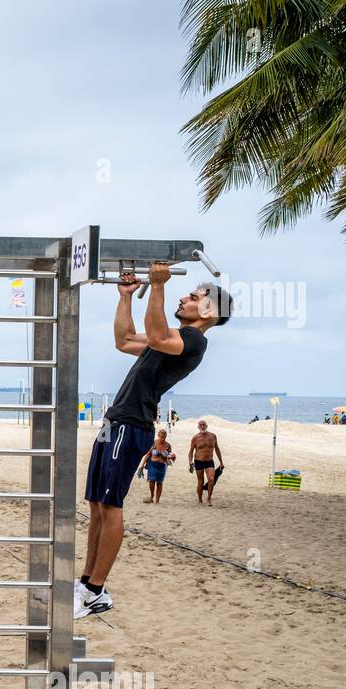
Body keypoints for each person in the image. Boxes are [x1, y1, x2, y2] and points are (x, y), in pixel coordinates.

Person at [77, 263, 231, 619]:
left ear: (208, 311)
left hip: (132, 425)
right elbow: (124, 339)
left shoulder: (191, 341)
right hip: (116, 422)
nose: (185, 297)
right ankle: (86, 583)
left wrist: (158, 286)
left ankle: (97, 590)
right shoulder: (171, 340)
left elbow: (159, 336)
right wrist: (125, 297)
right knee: (97, 505)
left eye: (193, 296)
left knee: (111, 505)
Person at [188, 420, 224, 506]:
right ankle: (200, 499)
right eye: (200, 425)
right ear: (198, 427)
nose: (202, 426)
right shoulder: (195, 438)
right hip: (198, 461)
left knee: (211, 480)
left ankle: (209, 499)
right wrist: (190, 462)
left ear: (206, 426)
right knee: (200, 481)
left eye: (204, 425)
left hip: (209, 461)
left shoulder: (213, 436)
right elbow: (191, 451)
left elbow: (217, 449)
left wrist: (221, 462)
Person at [137, 429, 175, 504]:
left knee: (159, 483)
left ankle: (157, 500)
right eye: (161, 436)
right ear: (158, 435)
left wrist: (171, 458)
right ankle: (151, 496)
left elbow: (171, 457)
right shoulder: (154, 443)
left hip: (162, 466)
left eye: (164, 436)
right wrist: (142, 465)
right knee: (151, 481)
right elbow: (148, 454)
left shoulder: (168, 445)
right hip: (152, 465)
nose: (163, 438)